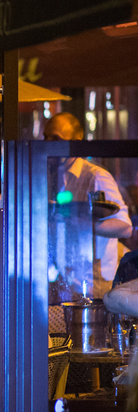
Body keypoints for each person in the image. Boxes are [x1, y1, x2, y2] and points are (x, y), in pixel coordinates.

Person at [45, 112, 132, 297]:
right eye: (45, 138)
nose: (48, 144)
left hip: (96, 281)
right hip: (67, 279)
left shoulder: (95, 176)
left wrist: (85, 225)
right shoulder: (53, 176)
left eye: (56, 138)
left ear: (76, 142)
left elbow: (125, 227)